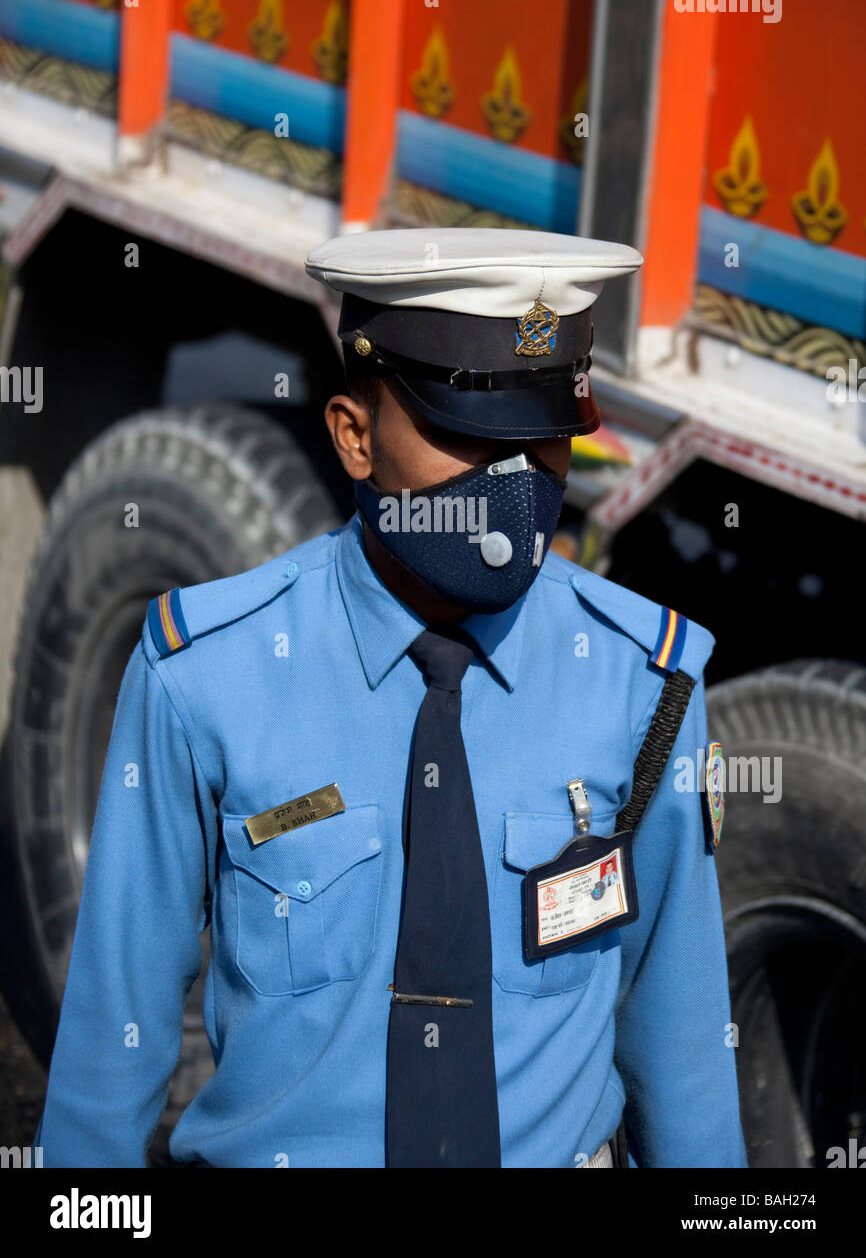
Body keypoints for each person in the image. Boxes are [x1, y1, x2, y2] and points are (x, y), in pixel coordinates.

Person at [34, 228, 748, 1168]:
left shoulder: (642, 684)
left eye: (544, 440)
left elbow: (684, 1060)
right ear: (354, 437)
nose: (515, 485)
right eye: (472, 436)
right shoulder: (205, 676)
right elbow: (105, 1060)